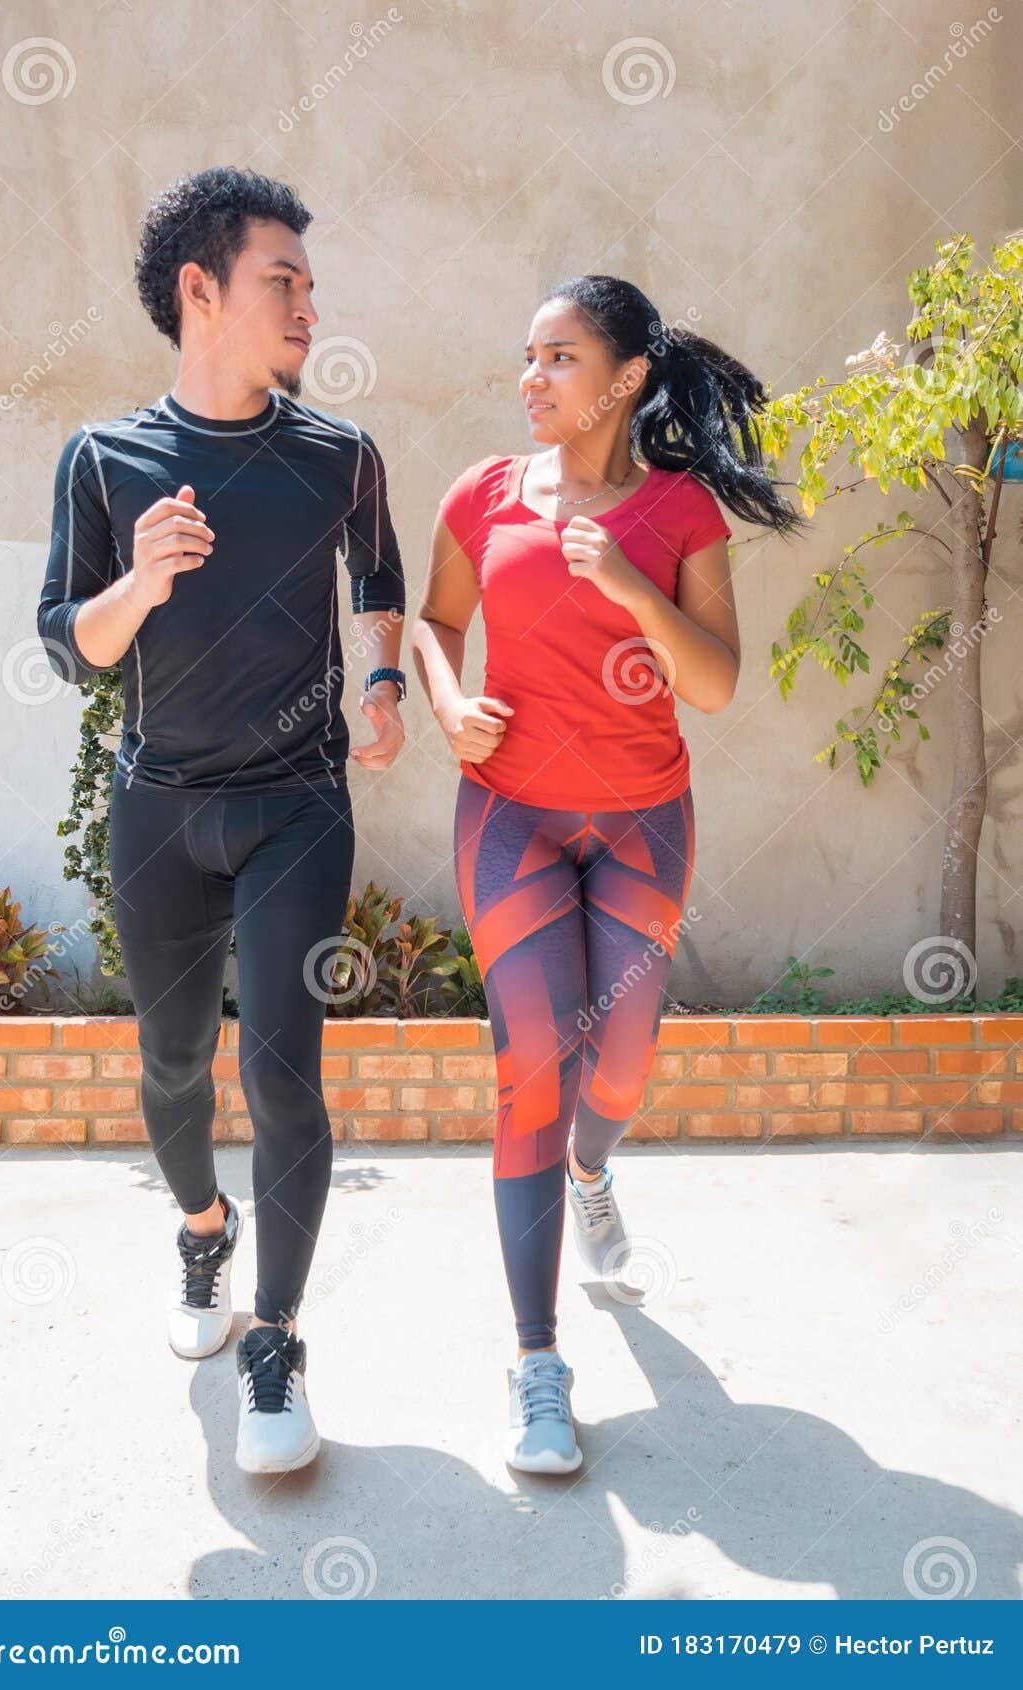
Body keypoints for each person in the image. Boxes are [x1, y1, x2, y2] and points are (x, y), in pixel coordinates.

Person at [36, 166, 407, 1475]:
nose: (308, 304)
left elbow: (379, 562)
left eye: (310, 283)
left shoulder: (336, 454)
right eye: (282, 281)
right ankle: (202, 1227)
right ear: (201, 290)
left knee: (282, 1067)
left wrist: (378, 677)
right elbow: (70, 645)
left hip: (298, 806)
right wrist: (139, 580)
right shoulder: (103, 458)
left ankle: (279, 1339)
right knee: (173, 1067)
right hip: (158, 811)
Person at [412, 274, 800, 1474]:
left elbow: (716, 683)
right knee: (533, 1068)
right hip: (510, 818)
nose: (529, 379)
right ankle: (537, 1362)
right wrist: (446, 700)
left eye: (557, 358)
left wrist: (628, 585)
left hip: (641, 823)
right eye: (524, 358)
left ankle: (592, 1169)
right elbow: (433, 621)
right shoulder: (480, 494)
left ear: (624, 379)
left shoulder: (680, 513)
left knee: (617, 1067)